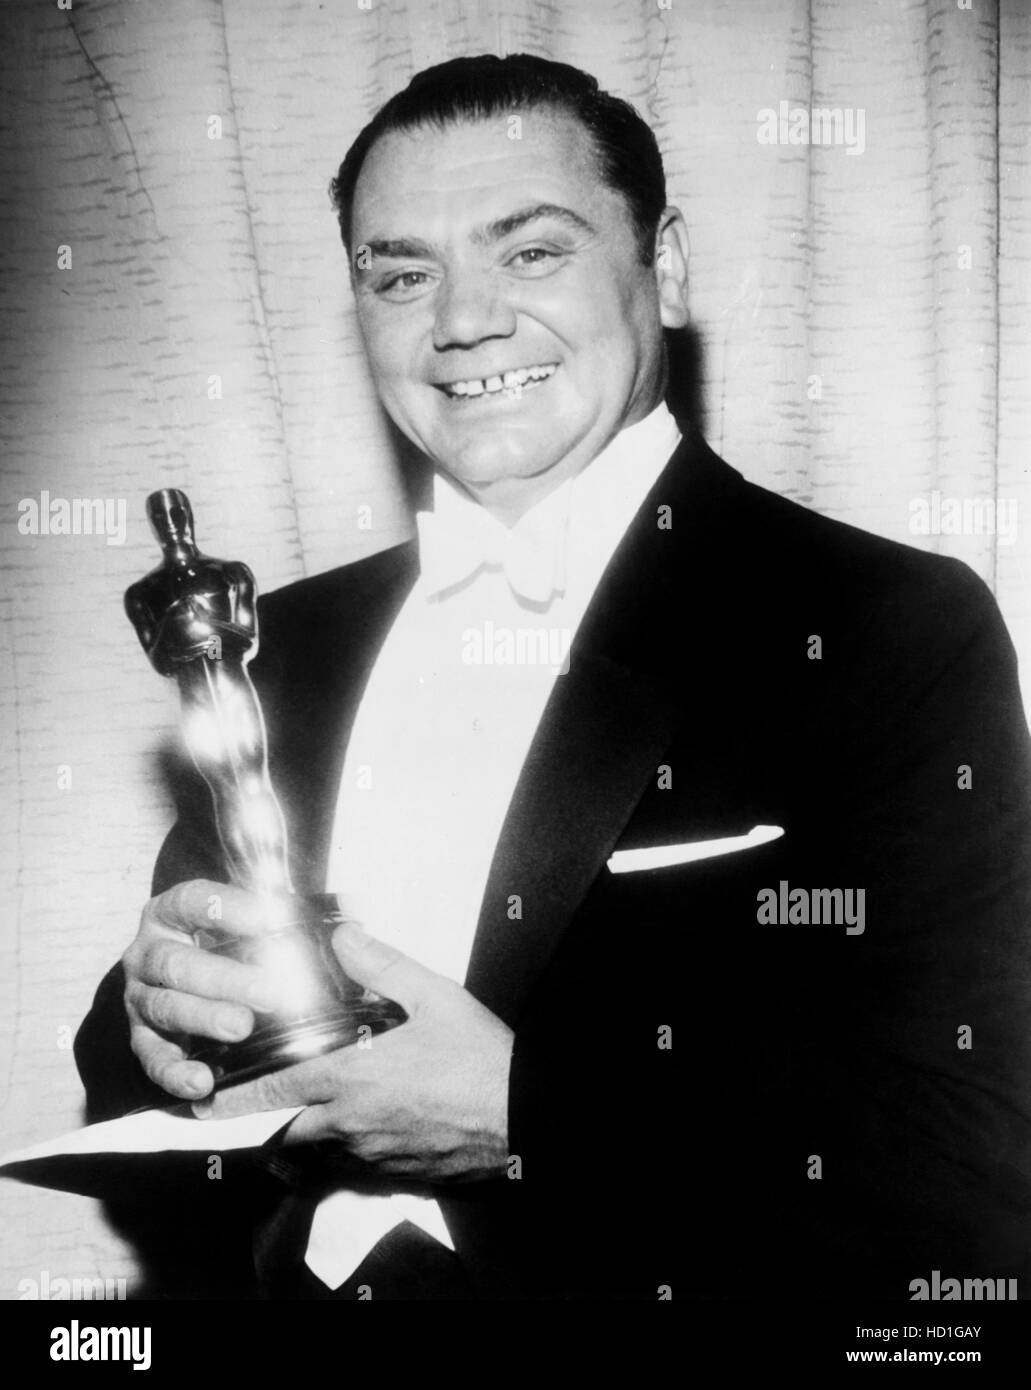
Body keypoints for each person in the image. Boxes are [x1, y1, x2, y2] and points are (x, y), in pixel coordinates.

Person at [75, 53, 1031, 1301]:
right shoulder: (281, 642)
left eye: (530, 251)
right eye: (400, 272)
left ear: (666, 267)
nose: (461, 319)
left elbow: (966, 1158)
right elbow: (130, 1099)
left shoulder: (880, 623)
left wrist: (523, 1112)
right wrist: (153, 1026)